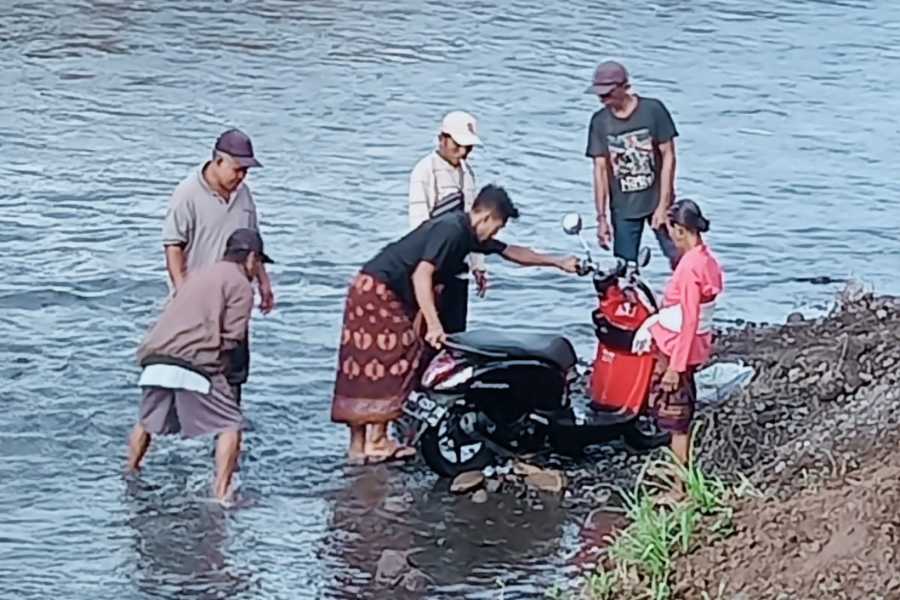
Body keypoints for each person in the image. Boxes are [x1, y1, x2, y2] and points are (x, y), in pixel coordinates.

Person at [332, 184, 580, 464]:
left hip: (365, 286)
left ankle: (358, 448)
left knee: (361, 366)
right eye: (496, 228)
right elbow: (422, 275)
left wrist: (557, 262)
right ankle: (377, 442)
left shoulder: (463, 231)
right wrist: (435, 326)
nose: (495, 235)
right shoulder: (452, 230)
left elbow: (511, 252)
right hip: (382, 293)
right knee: (395, 361)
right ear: (485, 217)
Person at [126, 229, 274, 502]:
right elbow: (231, 338)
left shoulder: (199, 275)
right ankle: (222, 493)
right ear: (251, 258)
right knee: (231, 423)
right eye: (259, 263)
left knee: (146, 421)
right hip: (193, 361)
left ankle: (130, 471)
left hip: (155, 357)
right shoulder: (241, 285)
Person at [162, 128, 275, 400]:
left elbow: (253, 242)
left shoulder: (244, 195)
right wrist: (182, 292)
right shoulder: (187, 194)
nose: (242, 177)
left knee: (234, 377)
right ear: (218, 161)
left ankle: (228, 432)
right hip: (200, 303)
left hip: (235, 301)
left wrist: (264, 283)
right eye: (237, 169)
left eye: (246, 171)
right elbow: (173, 246)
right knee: (194, 374)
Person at [631, 200, 724, 497]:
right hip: (684, 342)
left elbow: (689, 319)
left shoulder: (690, 269)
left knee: (677, 422)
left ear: (681, 230)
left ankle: (679, 488)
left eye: (671, 230)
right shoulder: (706, 260)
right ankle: (678, 481)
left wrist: (675, 366)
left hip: (677, 348)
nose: (669, 236)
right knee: (676, 417)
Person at [585, 60, 680, 269]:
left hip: (657, 199)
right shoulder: (599, 122)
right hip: (623, 208)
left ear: (623, 87)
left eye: (607, 93)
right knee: (625, 269)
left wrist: (664, 205)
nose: (603, 100)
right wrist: (601, 219)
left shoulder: (653, 110)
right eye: (600, 95)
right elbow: (600, 171)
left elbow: (669, 156)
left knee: (680, 258)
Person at [408, 110, 485, 334]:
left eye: (468, 148)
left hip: (457, 268)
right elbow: (419, 222)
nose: (462, 153)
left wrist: (478, 265)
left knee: (455, 334)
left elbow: (473, 224)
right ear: (442, 139)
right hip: (431, 266)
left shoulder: (466, 174)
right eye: (457, 146)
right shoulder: (426, 171)